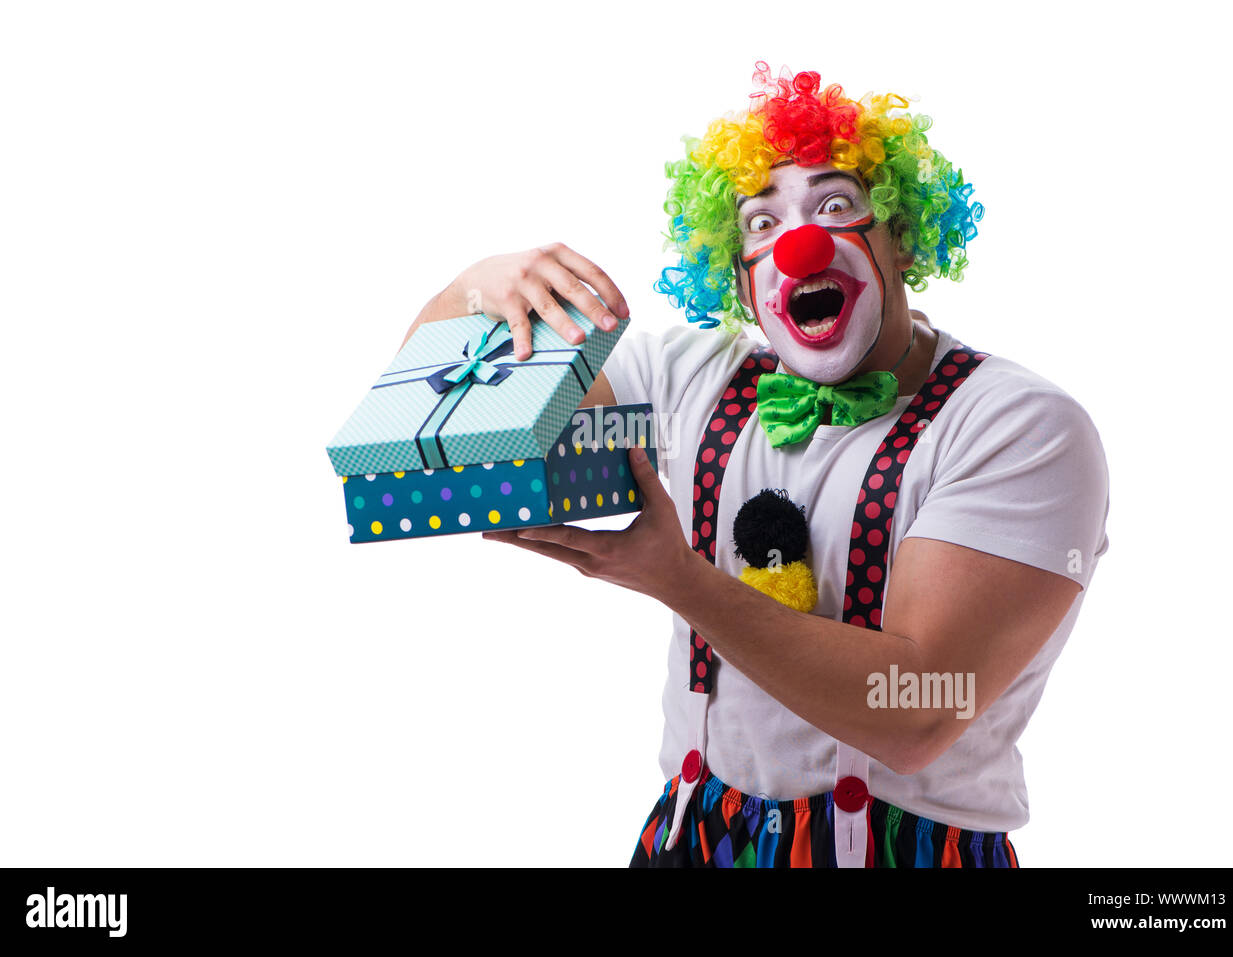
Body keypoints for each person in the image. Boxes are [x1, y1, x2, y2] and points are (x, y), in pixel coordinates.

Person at [404, 62, 1110, 867]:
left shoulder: (1017, 426)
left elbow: (917, 707)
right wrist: (471, 291)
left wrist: (680, 578)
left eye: (836, 207)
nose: (799, 241)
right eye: (761, 225)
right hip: (691, 838)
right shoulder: (683, 384)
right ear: (742, 283)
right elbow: (445, 454)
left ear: (904, 237)